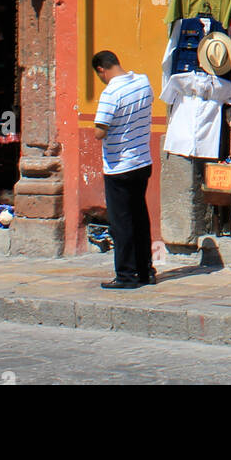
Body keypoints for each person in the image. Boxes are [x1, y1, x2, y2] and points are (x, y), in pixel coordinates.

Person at [92, 50, 156, 289]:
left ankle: (127, 275)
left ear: (101, 70)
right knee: (140, 218)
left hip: (119, 166)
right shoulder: (143, 82)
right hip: (142, 161)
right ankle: (146, 270)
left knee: (122, 223)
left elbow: (100, 131)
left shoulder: (110, 93)